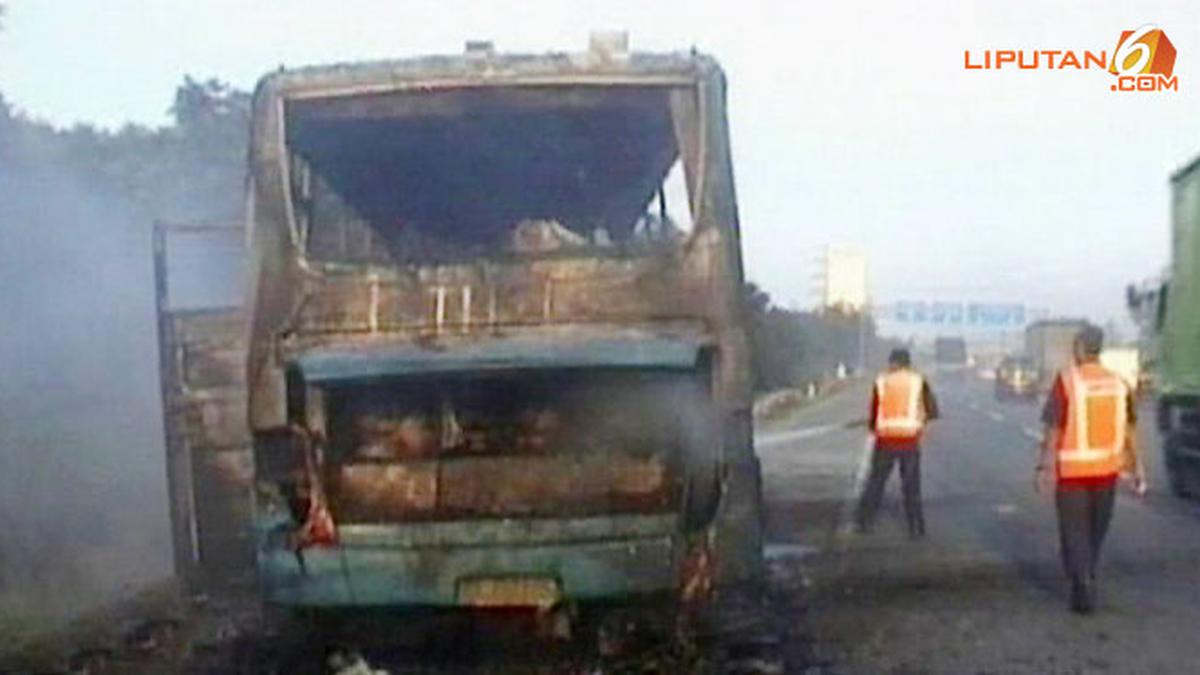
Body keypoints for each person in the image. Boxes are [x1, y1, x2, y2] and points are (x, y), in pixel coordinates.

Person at [1036, 324, 1147, 614]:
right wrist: (1138, 468)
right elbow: (1130, 429)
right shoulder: (1119, 383)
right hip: (1107, 472)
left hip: (1073, 473)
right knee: (1096, 530)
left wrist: (1044, 466)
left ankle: (1082, 579)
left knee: (1074, 532)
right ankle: (1086, 573)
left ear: (1081, 348)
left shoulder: (1067, 381)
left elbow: (1053, 428)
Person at [856, 348, 939, 537]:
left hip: (885, 440)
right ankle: (916, 528)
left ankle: (864, 523)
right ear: (908, 363)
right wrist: (920, 421)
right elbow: (932, 411)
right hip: (909, 441)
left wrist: (873, 427)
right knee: (911, 486)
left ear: (893, 362)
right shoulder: (918, 381)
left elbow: (875, 413)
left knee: (876, 483)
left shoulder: (882, 381)